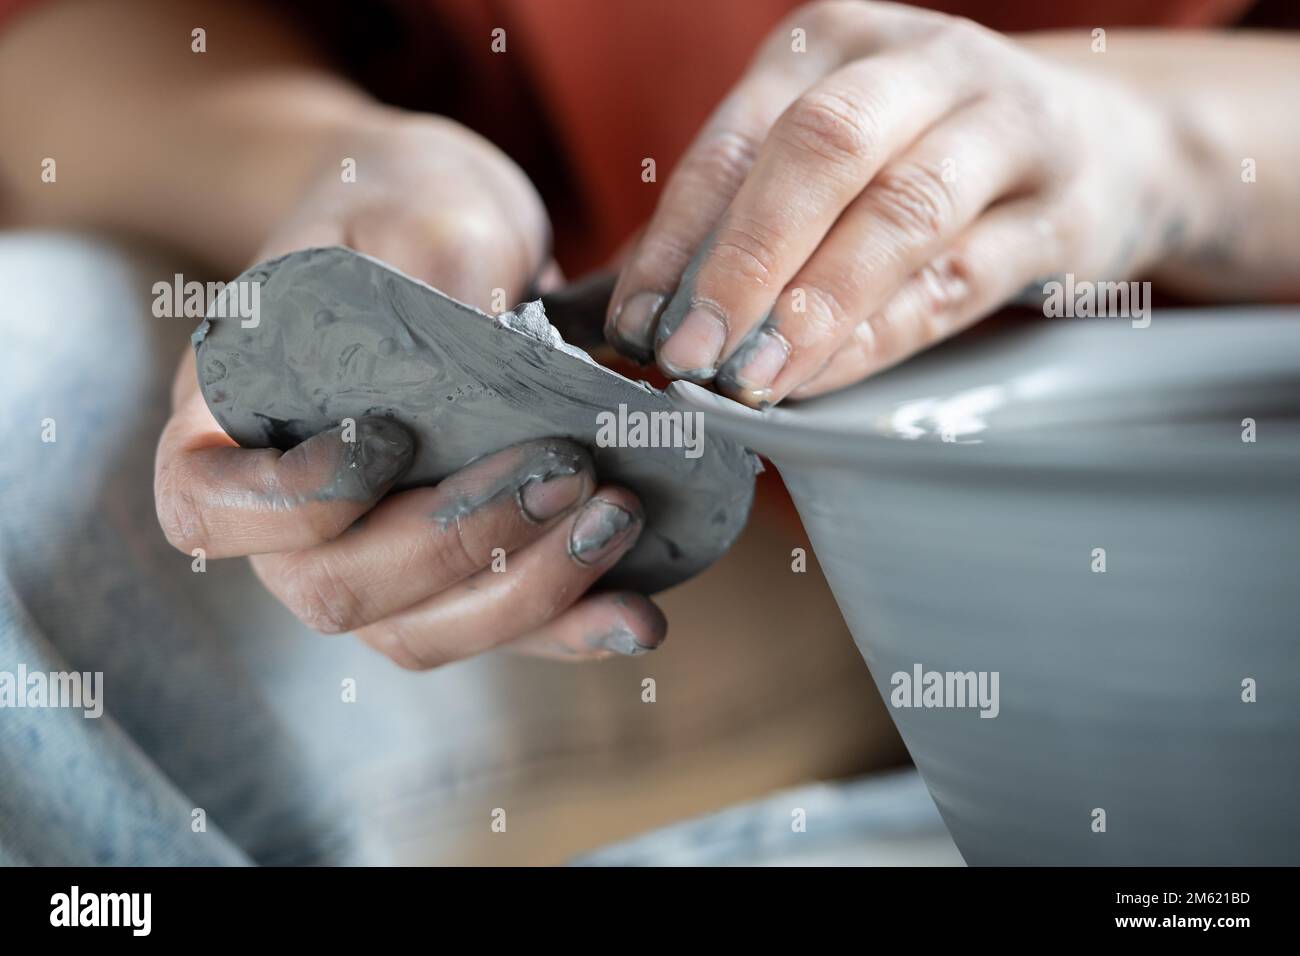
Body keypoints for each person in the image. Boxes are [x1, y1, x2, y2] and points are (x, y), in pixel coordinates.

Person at [0, 0, 1295, 864]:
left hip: (1142, 519)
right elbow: (70, 37)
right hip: (631, 489)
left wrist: (1158, 139)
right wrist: (341, 173)